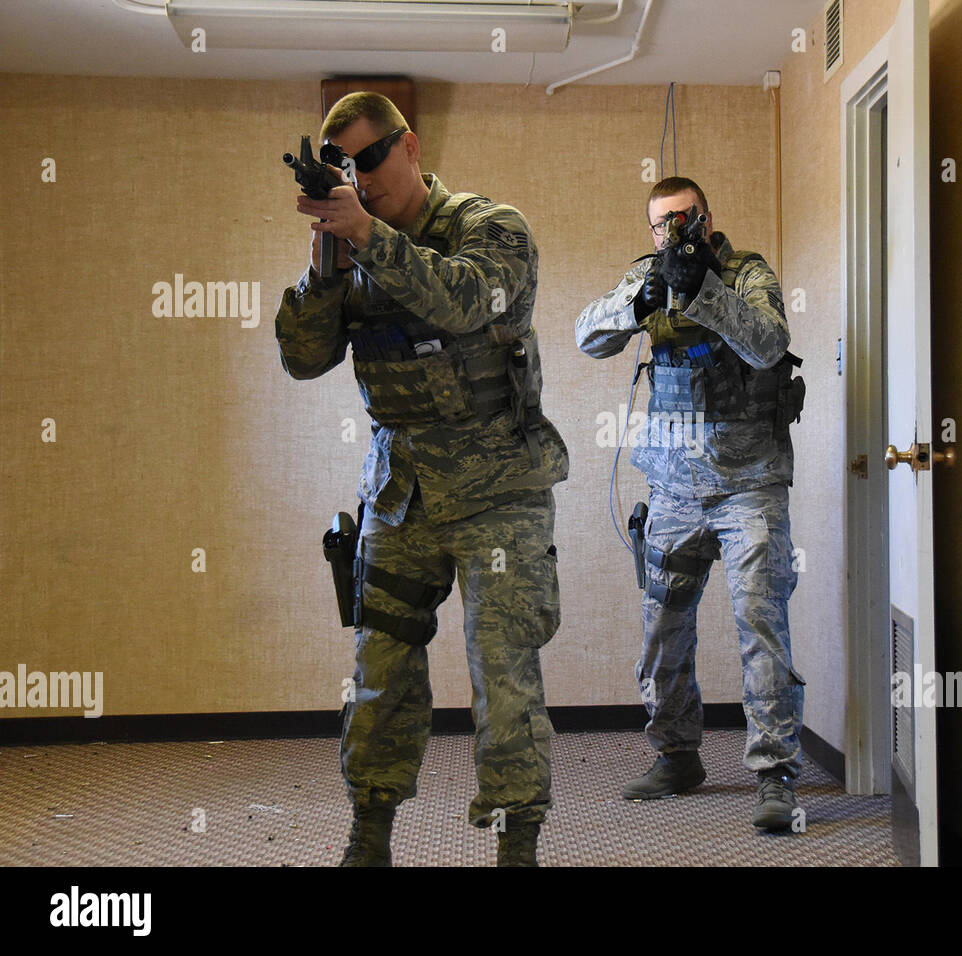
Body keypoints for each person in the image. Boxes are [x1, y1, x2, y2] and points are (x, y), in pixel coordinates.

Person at [275, 92, 568, 866]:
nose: (362, 177)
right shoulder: (350, 249)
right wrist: (324, 268)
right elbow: (304, 358)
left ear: (410, 147)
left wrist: (368, 235)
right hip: (400, 494)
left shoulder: (491, 226)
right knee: (380, 674)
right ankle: (369, 833)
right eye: (348, 167)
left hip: (498, 491)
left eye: (372, 158)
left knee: (501, 671)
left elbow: (466, 301)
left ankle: (518, 842)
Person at [574, 177, 806, 830]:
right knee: (662, 630)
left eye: (684, 219)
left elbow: (766, 342)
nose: (673, 232)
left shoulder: (745, 273)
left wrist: (702, 285)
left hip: (748, 487)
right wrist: (640, 299)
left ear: (706, 217)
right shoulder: (646, 274)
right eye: (661, 223)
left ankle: (775, 774)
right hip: (673, 488)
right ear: (650, 230)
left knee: (761, 628)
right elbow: (587, 336)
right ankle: (677, 753)